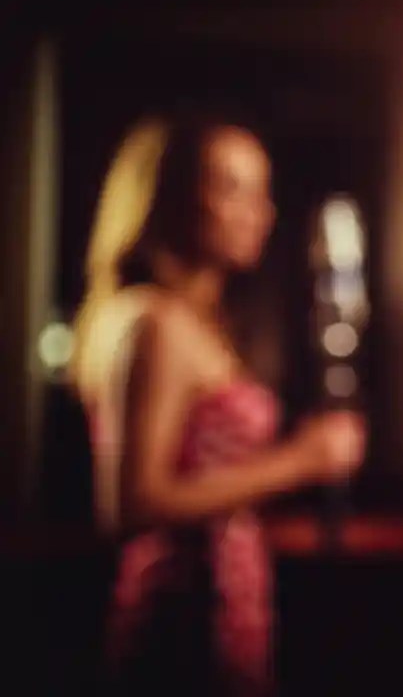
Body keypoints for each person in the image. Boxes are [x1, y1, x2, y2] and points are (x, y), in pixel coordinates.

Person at [69, 114, 366, 695]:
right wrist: (303, 460)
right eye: (232, 187)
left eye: (262, 190)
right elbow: (130, 501)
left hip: (224, 604)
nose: (261, 211)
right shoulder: (155, 323)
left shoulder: (191, 323)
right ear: (169, 199)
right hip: (184, 619)